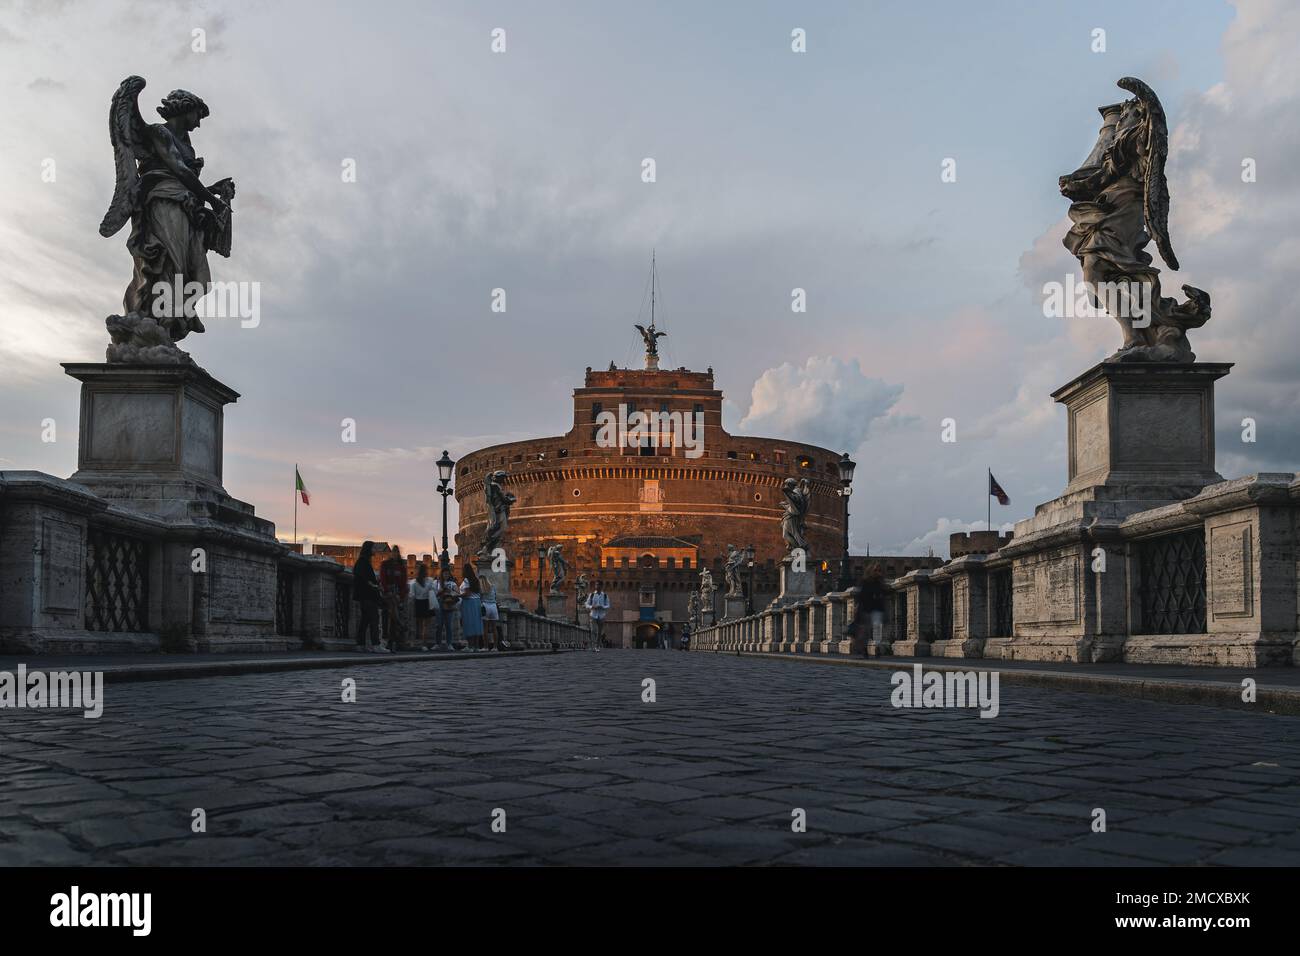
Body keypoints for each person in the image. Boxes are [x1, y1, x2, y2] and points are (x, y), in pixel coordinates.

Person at [352, 541, 383, 652]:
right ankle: (376, 645)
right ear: (369, 549)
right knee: (374, 619)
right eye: (374, 548)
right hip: (367, 595)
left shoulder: (363, 562)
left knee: (365, 620)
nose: (375, 550)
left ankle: (360, 644)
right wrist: (375, 585)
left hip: (364, 595)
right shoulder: (363, 562)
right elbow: (365, 579)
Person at [854, 563, 889, 655]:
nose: (878, 572)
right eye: (876, 570)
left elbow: (884, 593)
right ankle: (865, 648)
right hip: (867, 608)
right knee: (866, 629)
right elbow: (861, 595)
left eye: (879, 570)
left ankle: (877, 646)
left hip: (877, 608)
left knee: (877, 626)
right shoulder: (865, 581)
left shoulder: (880, 582)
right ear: (871, 571)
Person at [379, 545, 408, 652]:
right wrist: (387, 591)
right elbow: (383, 579)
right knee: (389, 616)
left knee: (392, 618)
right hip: (387, 595)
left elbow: (404, 583)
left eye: (396, 552)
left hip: (397, 595)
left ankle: (391, 641)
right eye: (393, 552)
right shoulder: (385, 565)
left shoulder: (401, 567)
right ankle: (391, 639)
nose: (395, 554)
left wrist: (400, 595)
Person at [411, 562, 437, 650]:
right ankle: (424, 644)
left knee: (419, 625)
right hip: (427, 603)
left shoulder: (414, 582)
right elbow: (434, 591)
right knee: (426, 625)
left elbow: (412, 595)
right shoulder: (430, 580)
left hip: (418, 603)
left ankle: (418, 643)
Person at [460, 563, 485, 651]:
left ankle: (470, 646)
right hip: (477, 602)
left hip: (469, 602)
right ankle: (476, 646)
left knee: (469, 623)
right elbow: (480, 593)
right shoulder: (476, 580)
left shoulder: (466, 580)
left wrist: (457, 595)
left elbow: (467, 594)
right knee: (476, 624)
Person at [434, 566, 460, 650]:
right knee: (439, 625)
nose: (446, 575)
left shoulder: (452, 583)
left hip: (449, 603)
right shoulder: (437, 582)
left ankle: (449, 644)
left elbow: (457, 593)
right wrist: (441, 591)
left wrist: (450, 592)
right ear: (441, 574)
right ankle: (438, 643)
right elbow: (434, 594)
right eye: (444, 573)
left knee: (448, 624)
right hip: (439, 603)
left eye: (447, 574)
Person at [586, 581, 609, 649]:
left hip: (601, 616)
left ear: (601, 586)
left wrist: (603, 607)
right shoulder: (592, 595)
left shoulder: (605, 595)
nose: (597, 586)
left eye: (598, 585)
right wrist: (592, 607)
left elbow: (608, 605)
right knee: (593, 631)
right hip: (593, 615)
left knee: (599, 632)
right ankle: (593, 645)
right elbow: (586, 604)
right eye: (596, 585)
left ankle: (597, 646)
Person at [481, 576, 502, 650]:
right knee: (494, 628)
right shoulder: (492, 587)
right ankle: (495, 647)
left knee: (485, 629)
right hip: (493, 607)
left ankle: (486, 646)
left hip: (485, 606)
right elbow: (495, 597)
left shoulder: (482, 588)